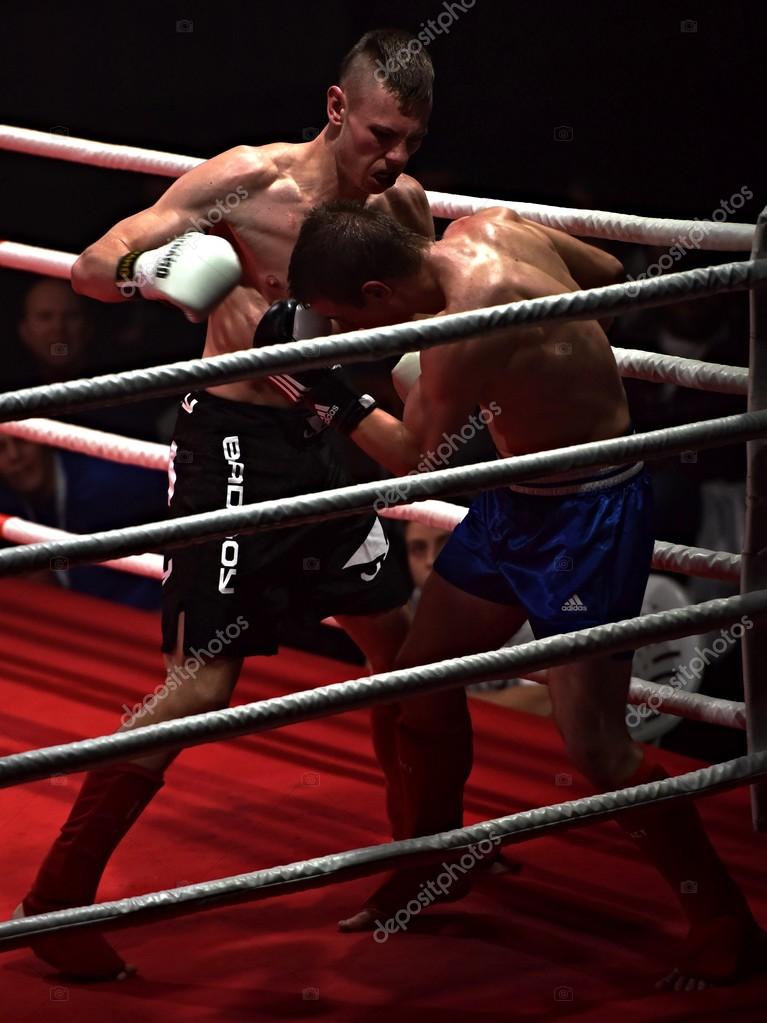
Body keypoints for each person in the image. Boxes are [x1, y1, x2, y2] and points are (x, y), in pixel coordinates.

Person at [15, 29, 435, 982]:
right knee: (200, 680)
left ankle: (420, 856)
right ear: (337, 110)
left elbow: (429, 314)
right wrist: (161, 275)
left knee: (402, 653)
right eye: (380, 134)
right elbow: (93, 263)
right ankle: (55, 899)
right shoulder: (251, 182)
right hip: (234, 451)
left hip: (328, 437)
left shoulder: (399, 207)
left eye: (410, 138)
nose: (395, 157)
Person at [285, 200, 763, 988]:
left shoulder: (467, 322)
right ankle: (434, 859)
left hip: (587, 517)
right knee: (420, 681)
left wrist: (322, 390)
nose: (351, 337)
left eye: (348, 320)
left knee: (595, 746)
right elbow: (606, 276)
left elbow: (414, 459)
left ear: (376, 293)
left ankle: (724, 917)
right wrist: (539, 365)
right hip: (517, 497)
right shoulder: (492, 224)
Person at [0, 435, 165, 608]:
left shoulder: (109, 482)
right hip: (90, 617)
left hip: (148, 615)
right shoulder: (9, 499)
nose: (14, 455)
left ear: (43, 439)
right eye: (0, 447)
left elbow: (187, 501)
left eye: (21, 440)